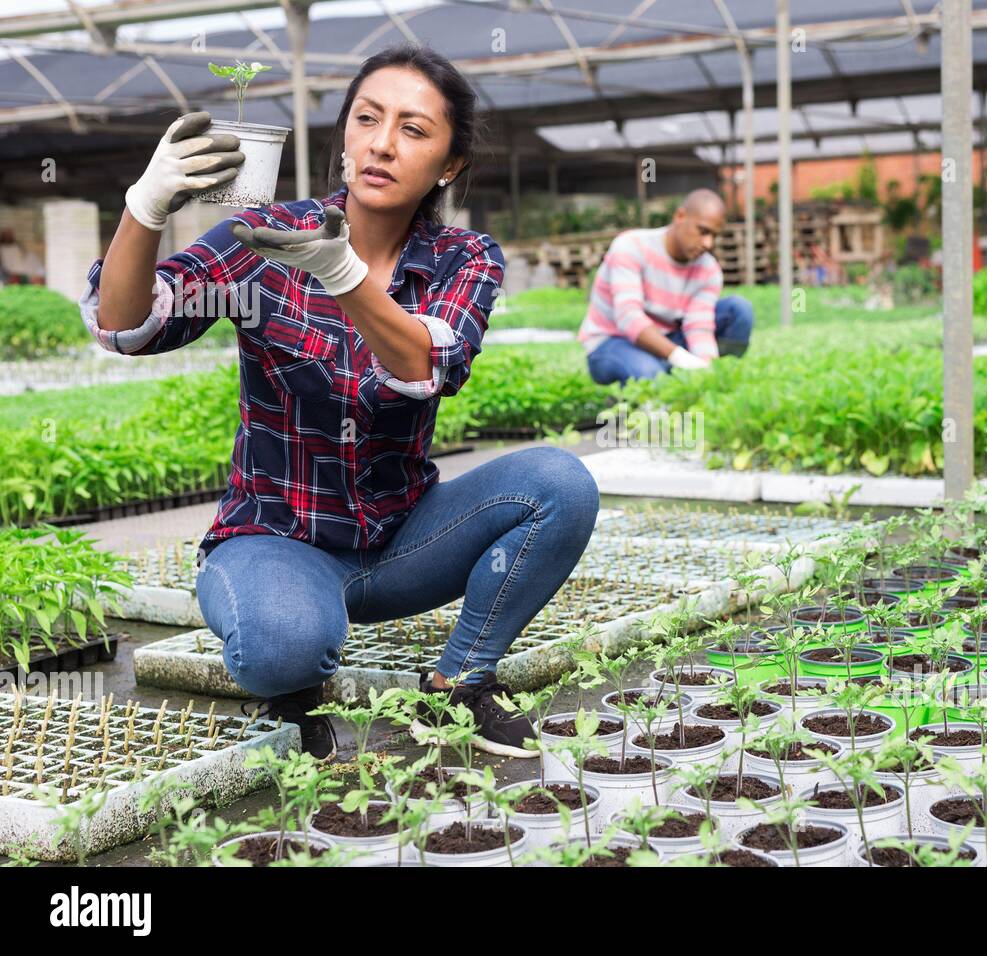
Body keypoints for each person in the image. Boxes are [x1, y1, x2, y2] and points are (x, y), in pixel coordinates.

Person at [79, 45, 600, 761]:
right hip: (276, 538)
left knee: (560, 485)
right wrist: (144, 207)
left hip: (404, 541)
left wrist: (343, 273)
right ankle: (293, 662)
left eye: (414, 130)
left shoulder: (465, 256)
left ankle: (459, 681)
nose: (383, 143)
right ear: (345, 137)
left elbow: (427, 361)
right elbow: (128, 325)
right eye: (367, 119)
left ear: (449, 165)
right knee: (284, 649)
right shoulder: (267, 239)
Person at [580, 189, 754, 385]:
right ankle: (640, 389)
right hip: (613, 342)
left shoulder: (708, 269)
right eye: (703, 231)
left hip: (668, 338)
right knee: (649, 373)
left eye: (714, 235)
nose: (708, 243)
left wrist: (707, 368)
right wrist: (681, 359)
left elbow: (699, 326)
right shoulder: (631, 247)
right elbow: (628, 318)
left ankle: (712, 382)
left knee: (739, 310)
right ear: (680, 216)